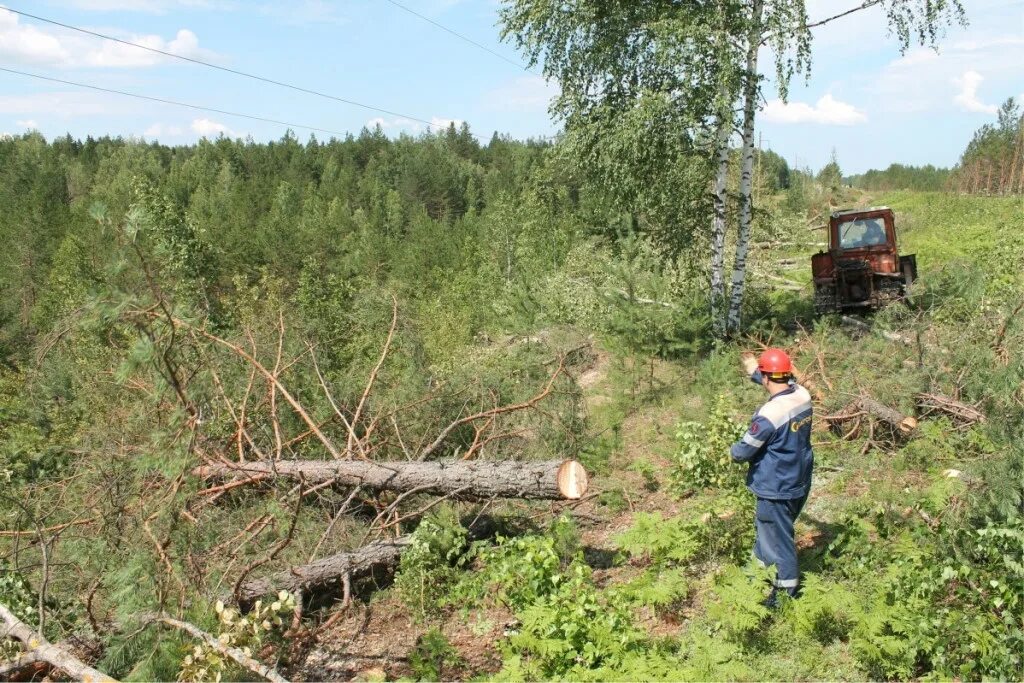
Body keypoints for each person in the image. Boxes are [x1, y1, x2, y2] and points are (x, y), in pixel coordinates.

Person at [730, 348, 814, 607]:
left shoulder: (768, 416)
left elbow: (741, 452)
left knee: (779, 541)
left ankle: (784, 598)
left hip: (775, 487)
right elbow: (775, 380)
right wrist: (753, 369)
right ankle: (756, 577)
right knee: (769, 533)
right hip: (798, 479)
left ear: (767, 378)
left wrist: (731, 450)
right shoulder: (802, 395)